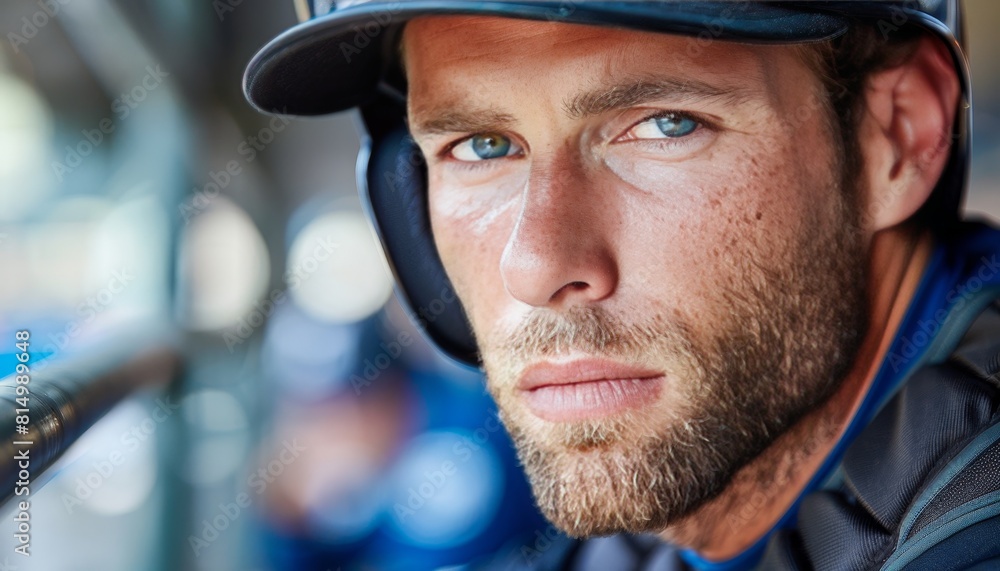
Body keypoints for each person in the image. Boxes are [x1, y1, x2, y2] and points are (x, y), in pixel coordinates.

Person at [244, 2, 1000, 569]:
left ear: (896, 134)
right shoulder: (679, 514)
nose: (536, 266)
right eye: (482, 146)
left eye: (667, 124)